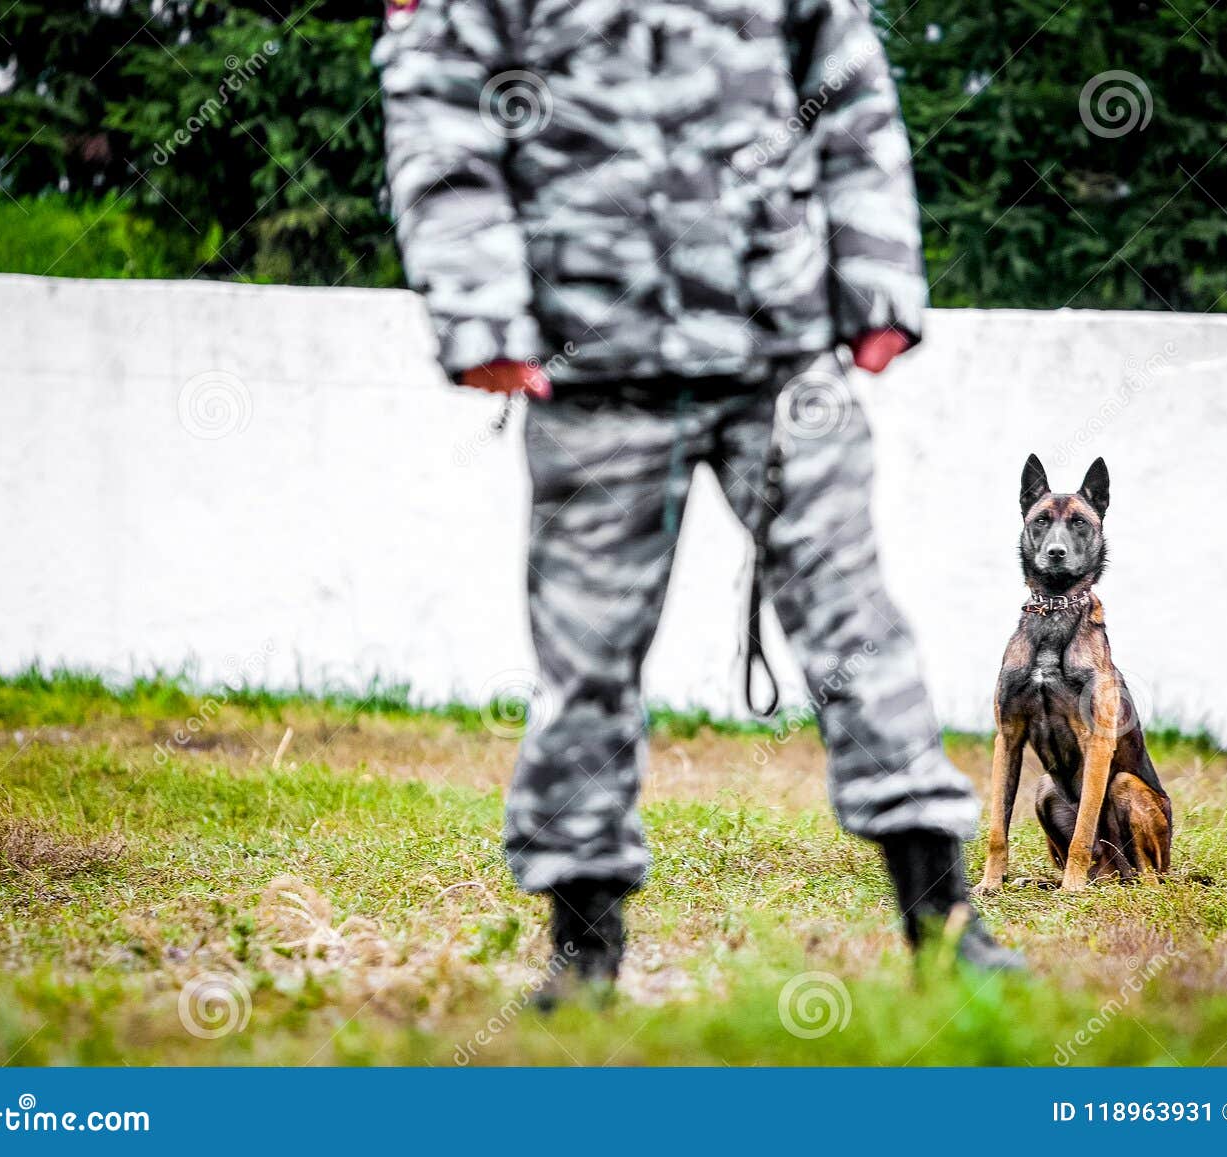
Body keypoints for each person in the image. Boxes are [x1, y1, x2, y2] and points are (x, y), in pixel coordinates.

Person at [375, 0, 1025, 1004]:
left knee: (855, 628)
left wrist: (878, 284)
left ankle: (944, 927)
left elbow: (850, 87)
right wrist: (480, 313)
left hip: (779, 347)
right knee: (586, 661)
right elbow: (439, 103)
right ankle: (583, 953)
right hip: (591, 358)